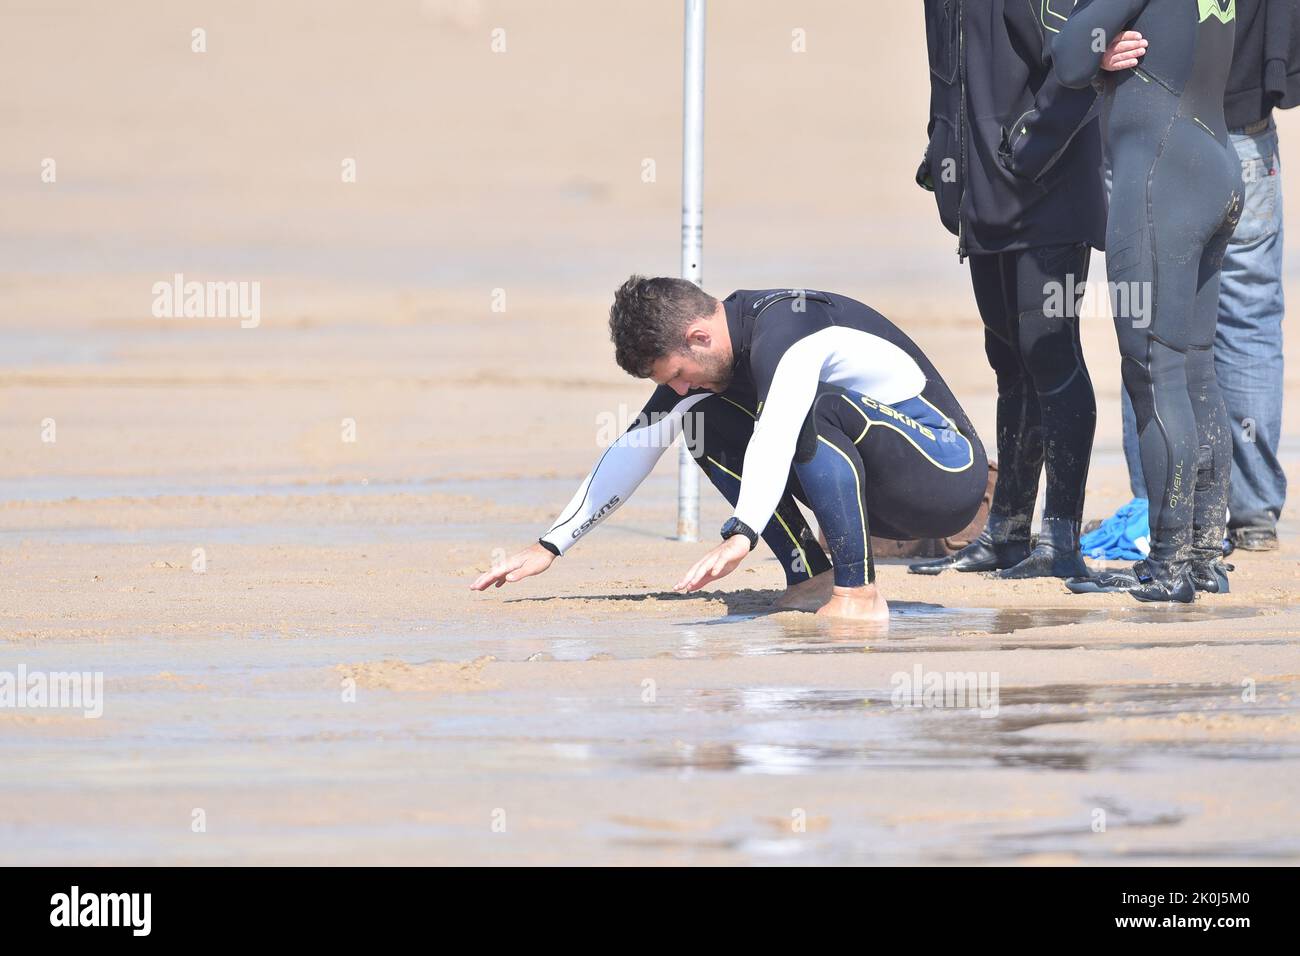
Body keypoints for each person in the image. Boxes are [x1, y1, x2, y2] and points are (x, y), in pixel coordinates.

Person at [470, 278, 988, 622]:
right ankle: (813, 576)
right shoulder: (702, 368)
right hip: (874, 496)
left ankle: (858, 595)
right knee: (700, 417)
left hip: (944, 477)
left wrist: (741, 534)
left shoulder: (787, 328)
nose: (677, 387)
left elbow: (778, 430)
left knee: (812, 406)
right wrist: (550, 545)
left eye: (677, 374)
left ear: (698, 337)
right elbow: (636, 445)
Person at [1041, 0, 1244, 602]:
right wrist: (1101, 50)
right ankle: (1204, 557)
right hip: (1215, 163)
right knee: (1196, 368)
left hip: (1162, 178)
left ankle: (1167, 565)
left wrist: (1094, 53)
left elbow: (1067, 55)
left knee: (1154, 373)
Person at [1083, 0, 1295, 558]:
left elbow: (1069, 47)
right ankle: (1248, 515)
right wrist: (1276, 70)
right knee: (1243, 322)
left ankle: (1161, 517)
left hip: (1157, 136)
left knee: (1156, 345)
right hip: (1240, 131)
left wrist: (1095, 45)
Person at [912, 0, 1107, 580]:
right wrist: (942, 148)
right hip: (981, 193)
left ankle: (1061, 540)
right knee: (1007, 359)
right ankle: (1007, 533)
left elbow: (1078, 67)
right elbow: (949, 76)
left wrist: (1027, 146)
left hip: (1048, 190)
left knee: (1051, 355)